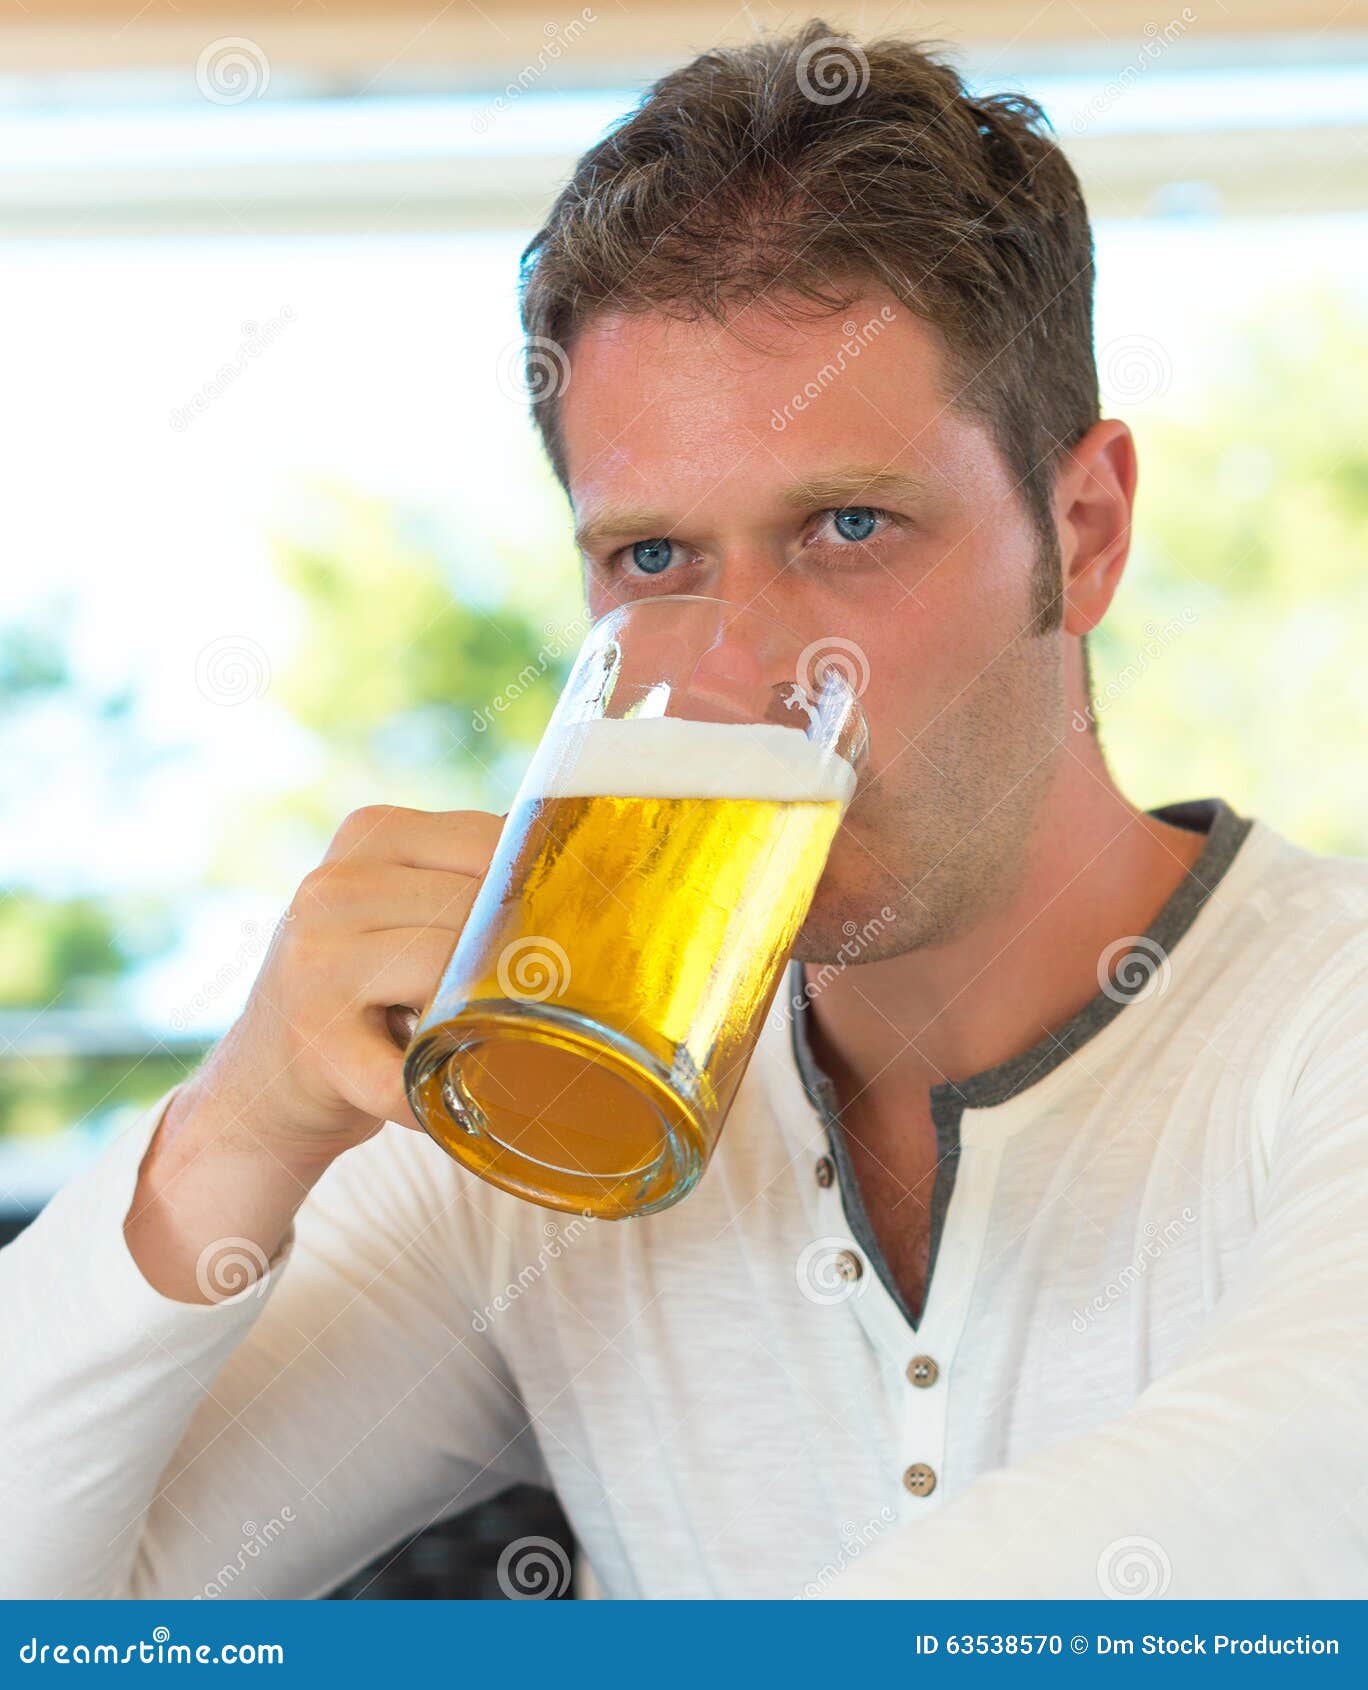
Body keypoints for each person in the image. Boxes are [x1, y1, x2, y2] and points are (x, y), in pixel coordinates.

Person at [3, 21, 1366, 1601]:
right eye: (654, 560)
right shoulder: (557, 1114)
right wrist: (233, 1130)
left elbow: (1296, 1501)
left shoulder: (1327, 1018)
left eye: (850, 524)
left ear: (1087, 527)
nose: (744, 666)